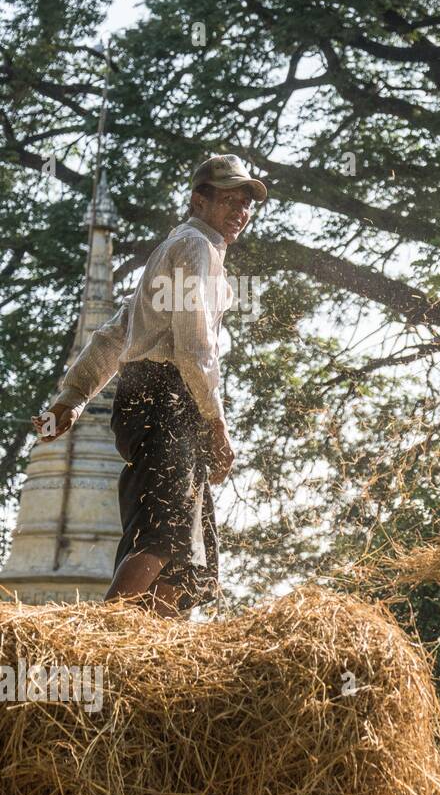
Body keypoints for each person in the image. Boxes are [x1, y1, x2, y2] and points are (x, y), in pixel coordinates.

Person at [32, 155, 267, 616]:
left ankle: (148, 652)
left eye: (247, 203)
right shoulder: (196, 246)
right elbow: (195, 350)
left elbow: (116, 332)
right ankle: (101, 639)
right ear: (200, 200)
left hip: (153, 398)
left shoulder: (176, 248)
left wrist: (72, 398)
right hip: (168, 398)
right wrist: (216, 425)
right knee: (164, 532)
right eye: (230, 199)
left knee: (187, 555)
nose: (241, 210)